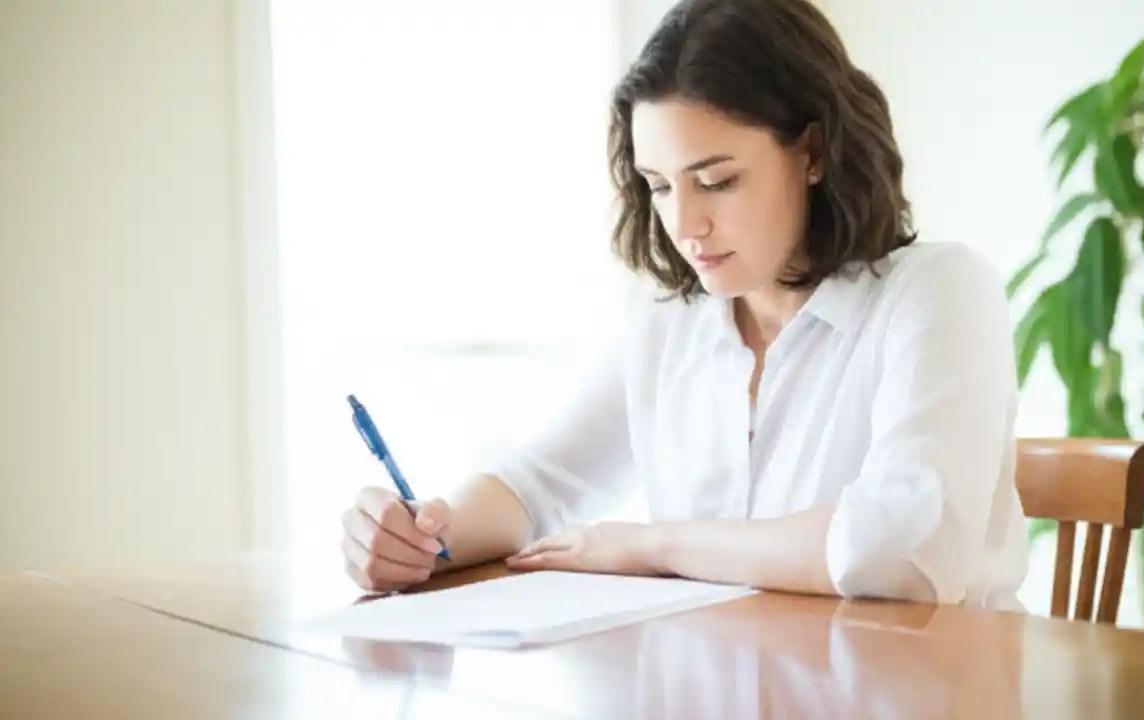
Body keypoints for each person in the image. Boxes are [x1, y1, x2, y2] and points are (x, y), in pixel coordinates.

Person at [339, 0, 1028, 608]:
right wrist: (425, 534)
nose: (684, 223)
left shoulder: (938, 290)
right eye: (660, 187)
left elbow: (900, 550)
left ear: (812, 152)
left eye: (717, 181)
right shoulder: (670, 326)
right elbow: (540, 483)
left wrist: (657, 546)